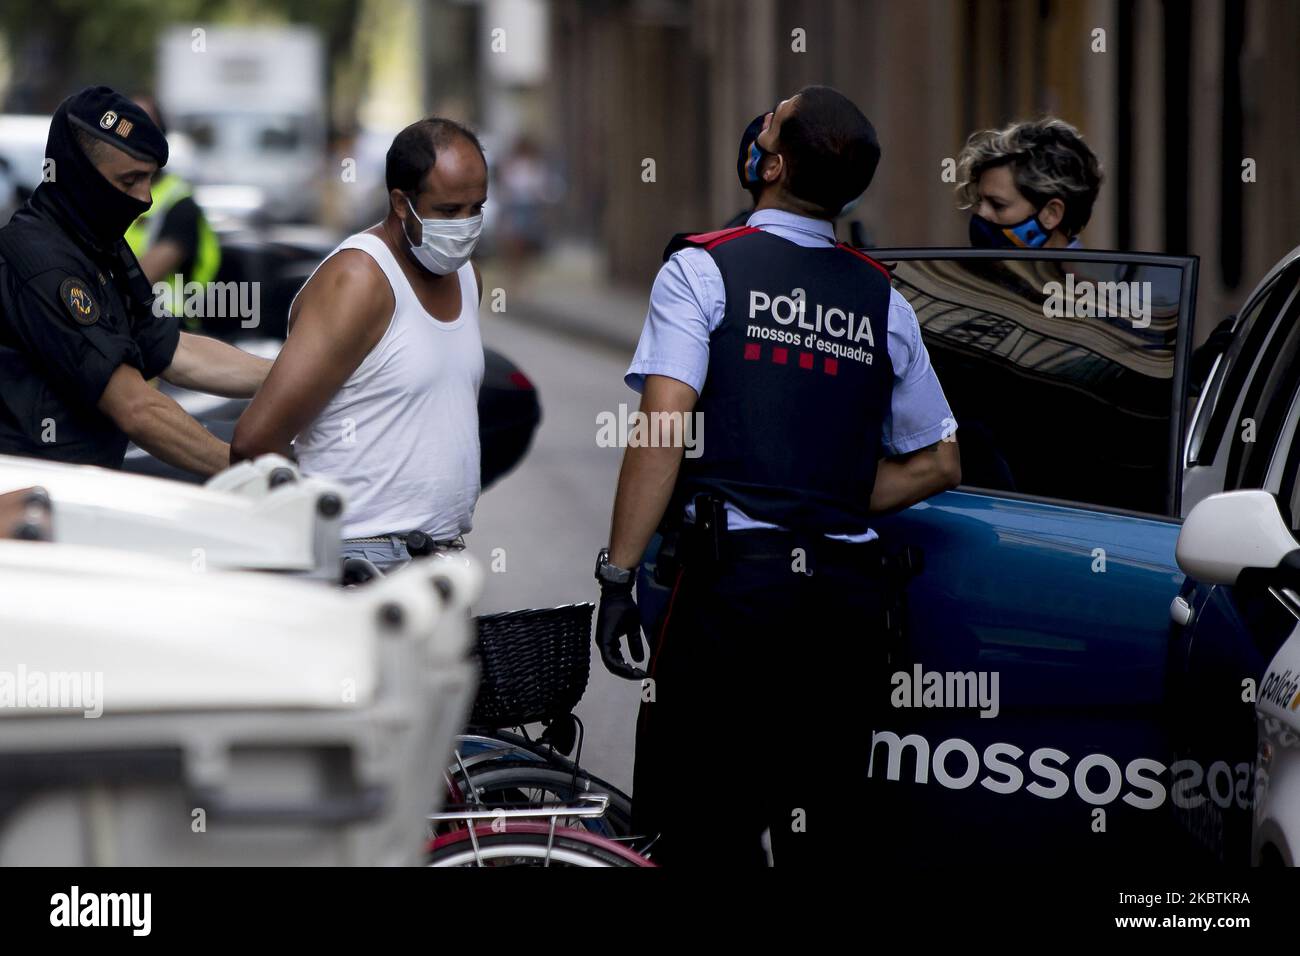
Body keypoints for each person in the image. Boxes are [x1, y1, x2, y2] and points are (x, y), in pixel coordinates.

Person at [594, 86, 962, 866]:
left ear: (773, 162)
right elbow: (939, 458)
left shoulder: (703, 266)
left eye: (768, 122)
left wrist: (618, 575)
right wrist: (816, 491)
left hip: (735, 597)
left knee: (694, 830)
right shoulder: (882, 294)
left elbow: (664, 427)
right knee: (821, 830)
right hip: (847, 605)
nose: (756, 125)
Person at [231, 118, 487, 571]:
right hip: (360, 560)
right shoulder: (360, 280)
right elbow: (256, 439)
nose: (465, 226)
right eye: (449, 211)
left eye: (476, 208)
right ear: (401, 203)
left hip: (438, 558)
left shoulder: (467, 276)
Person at [0, 87, 271, 474]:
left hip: (88, 481)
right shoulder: (44, 264)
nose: (145, 198)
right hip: (42, 496)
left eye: (149, 180)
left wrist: (295, 377)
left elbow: (176, 352)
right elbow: (135, 407)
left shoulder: (95, 240)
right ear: (81, 176)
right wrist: (253, 473)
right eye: (129, 182)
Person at [124, 95, 221, 330]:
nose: (133, 136)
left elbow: (141, 278)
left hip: (168, 330)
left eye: (144, 126)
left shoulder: (179, 202)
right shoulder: (105, 196)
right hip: (122, 326)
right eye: (127, 127)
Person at [956, 117, 1102, 249]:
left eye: (997, 205)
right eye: (979, 201)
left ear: (1051, 214)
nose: (981, 213)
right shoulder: (984, 276)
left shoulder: (1096, 278)